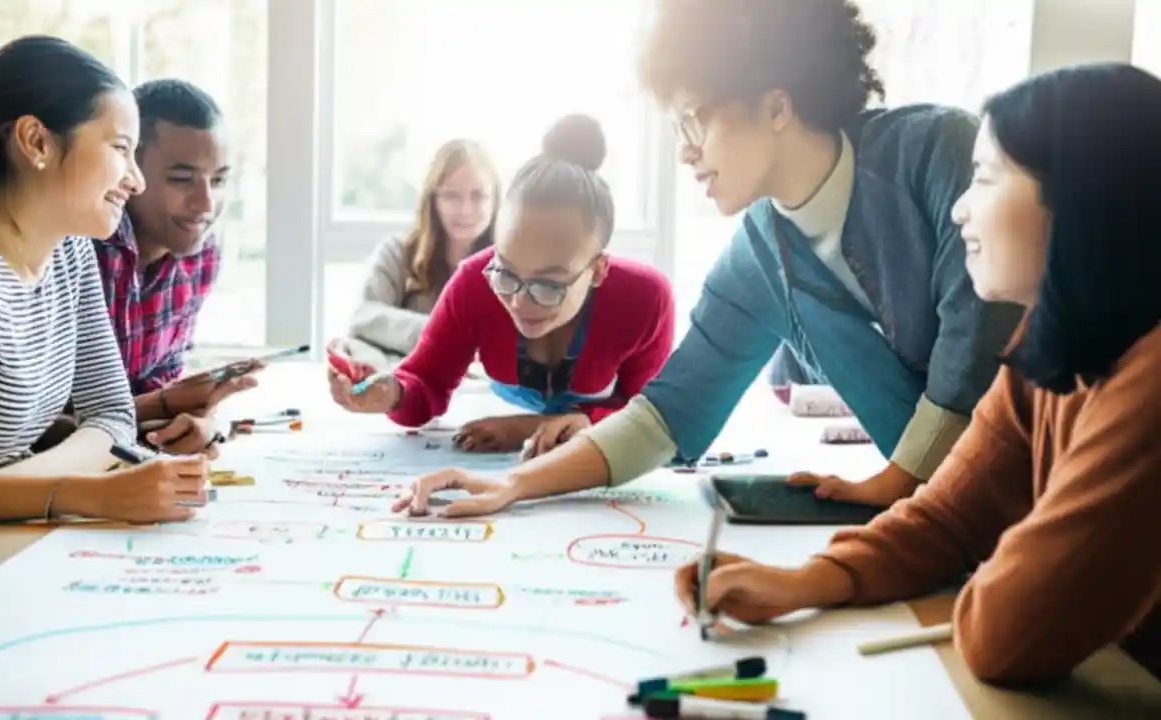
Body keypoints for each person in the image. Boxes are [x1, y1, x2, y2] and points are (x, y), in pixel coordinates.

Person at [393, 0, 1022, 517]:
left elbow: (978, 337)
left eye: (697, 121)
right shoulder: (756, 254)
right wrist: (516, 486)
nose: (687, 153)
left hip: (1051, 485)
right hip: (948, 526)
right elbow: (666, 415)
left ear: (777, 105)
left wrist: (897, 481)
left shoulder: (942, 152)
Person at [672, 63, 1161, 685]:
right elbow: (948, 517)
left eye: (983, 178)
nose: (959, 210)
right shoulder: (1050, 342)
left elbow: (1004, 637)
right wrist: (807, 581)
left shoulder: (1150, 380)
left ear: (1081, 197)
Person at [0, 35, 206, 526]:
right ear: (36, 142)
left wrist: (50, 486)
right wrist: (85, 493)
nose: (136, 180)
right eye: (120, 149)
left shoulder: (70, 253)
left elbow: (113, 415)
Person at [329, 115, 674, 459]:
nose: (519, 301)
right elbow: (424, 383)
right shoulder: (474, 281)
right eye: (506, 273)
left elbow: (652, 421)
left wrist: (524, 428)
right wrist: (392, 393)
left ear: (598, 270)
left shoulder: (644, 300)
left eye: (548, 285)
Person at [93, 78, 256, 457]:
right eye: (182, 180)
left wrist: (199, 421)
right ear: (129, 172)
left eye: (218, 181)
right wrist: (167, 404)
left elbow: (157, 383)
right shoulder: (86, 250)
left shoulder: (201, 253)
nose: (206, 204)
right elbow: (49, 419)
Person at [337, 139, 499, 370]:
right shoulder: (397, 252)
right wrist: (445, 334)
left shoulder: (514, 264)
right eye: (452, 196)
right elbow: (363, 318)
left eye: (478, 196)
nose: (465, 209)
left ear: (495, 201)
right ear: (433, 201)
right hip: (407, 389)